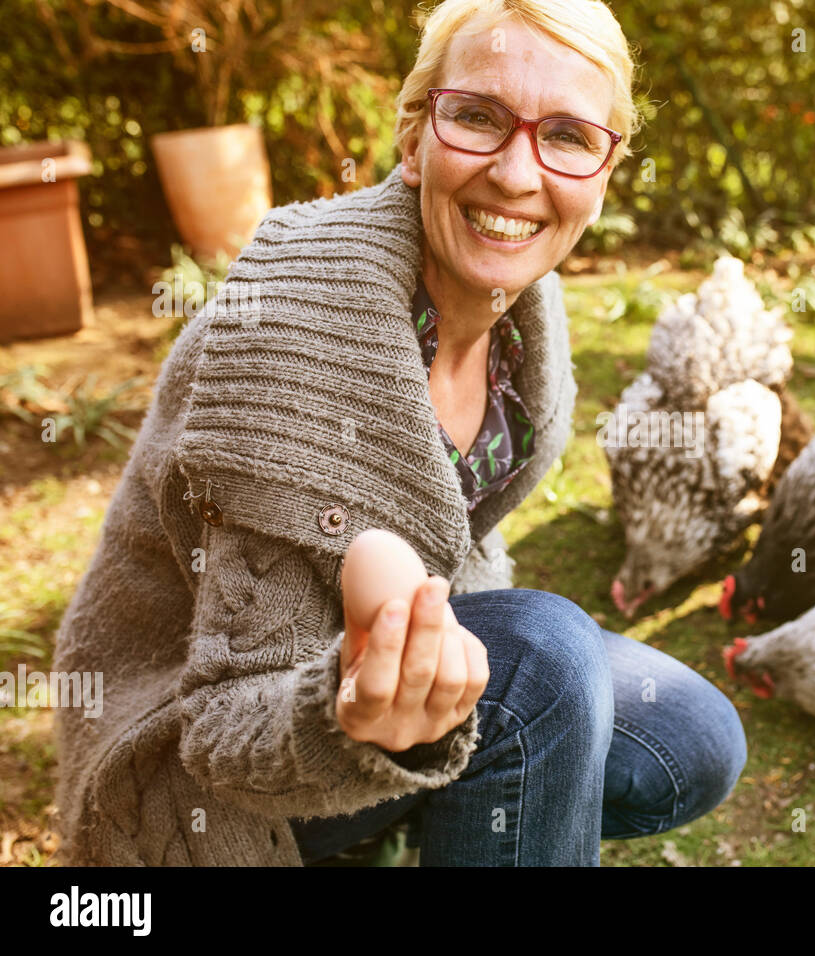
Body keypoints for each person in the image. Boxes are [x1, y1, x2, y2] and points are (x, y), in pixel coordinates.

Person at [51, 0, 746, 867]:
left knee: (691, 740)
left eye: (568, 135)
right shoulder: (296, 327)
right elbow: (222, 731)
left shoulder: (523, 308)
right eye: (479, 118)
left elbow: (448, 546)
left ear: (605, 170)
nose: (518, 174)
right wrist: (353, 721)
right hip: (187, 759)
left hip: (361, 675)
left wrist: (427, 686)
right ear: (415, 141)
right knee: (543, 665)